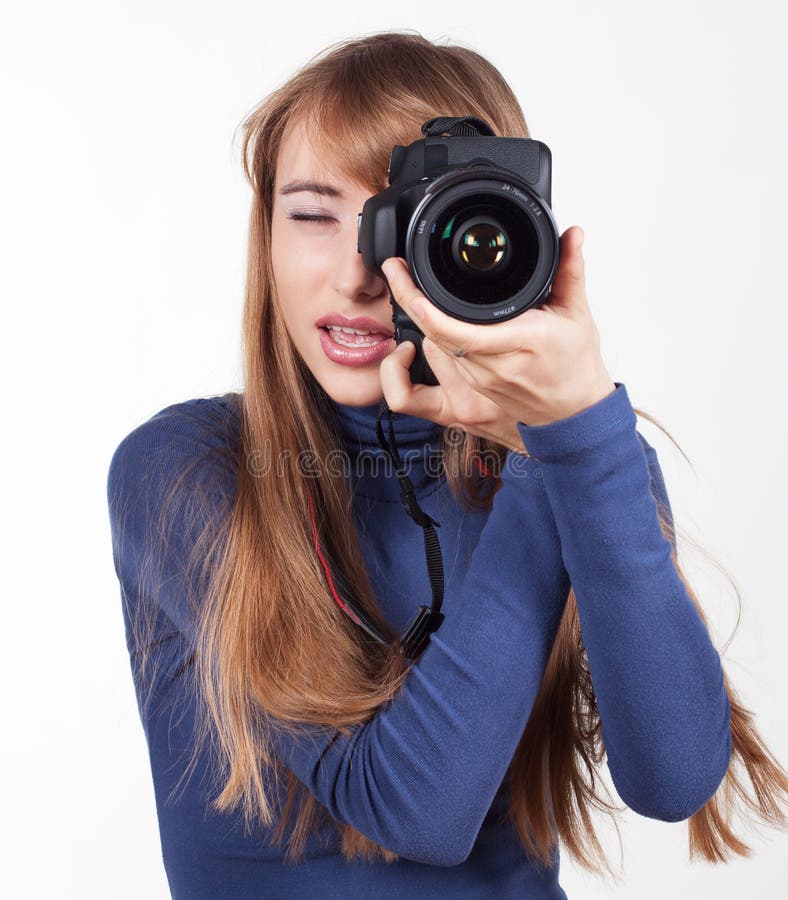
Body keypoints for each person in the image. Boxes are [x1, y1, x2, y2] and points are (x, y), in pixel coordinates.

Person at [106, 30, 787, 899]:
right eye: (313, 215)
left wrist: (555, 438)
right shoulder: (186, 470)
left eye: (407, 225)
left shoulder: (579, 452)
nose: (360, 275)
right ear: (265, 238)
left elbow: (674, 778)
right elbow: (413, 807)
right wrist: (554, 450)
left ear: (508, 234)